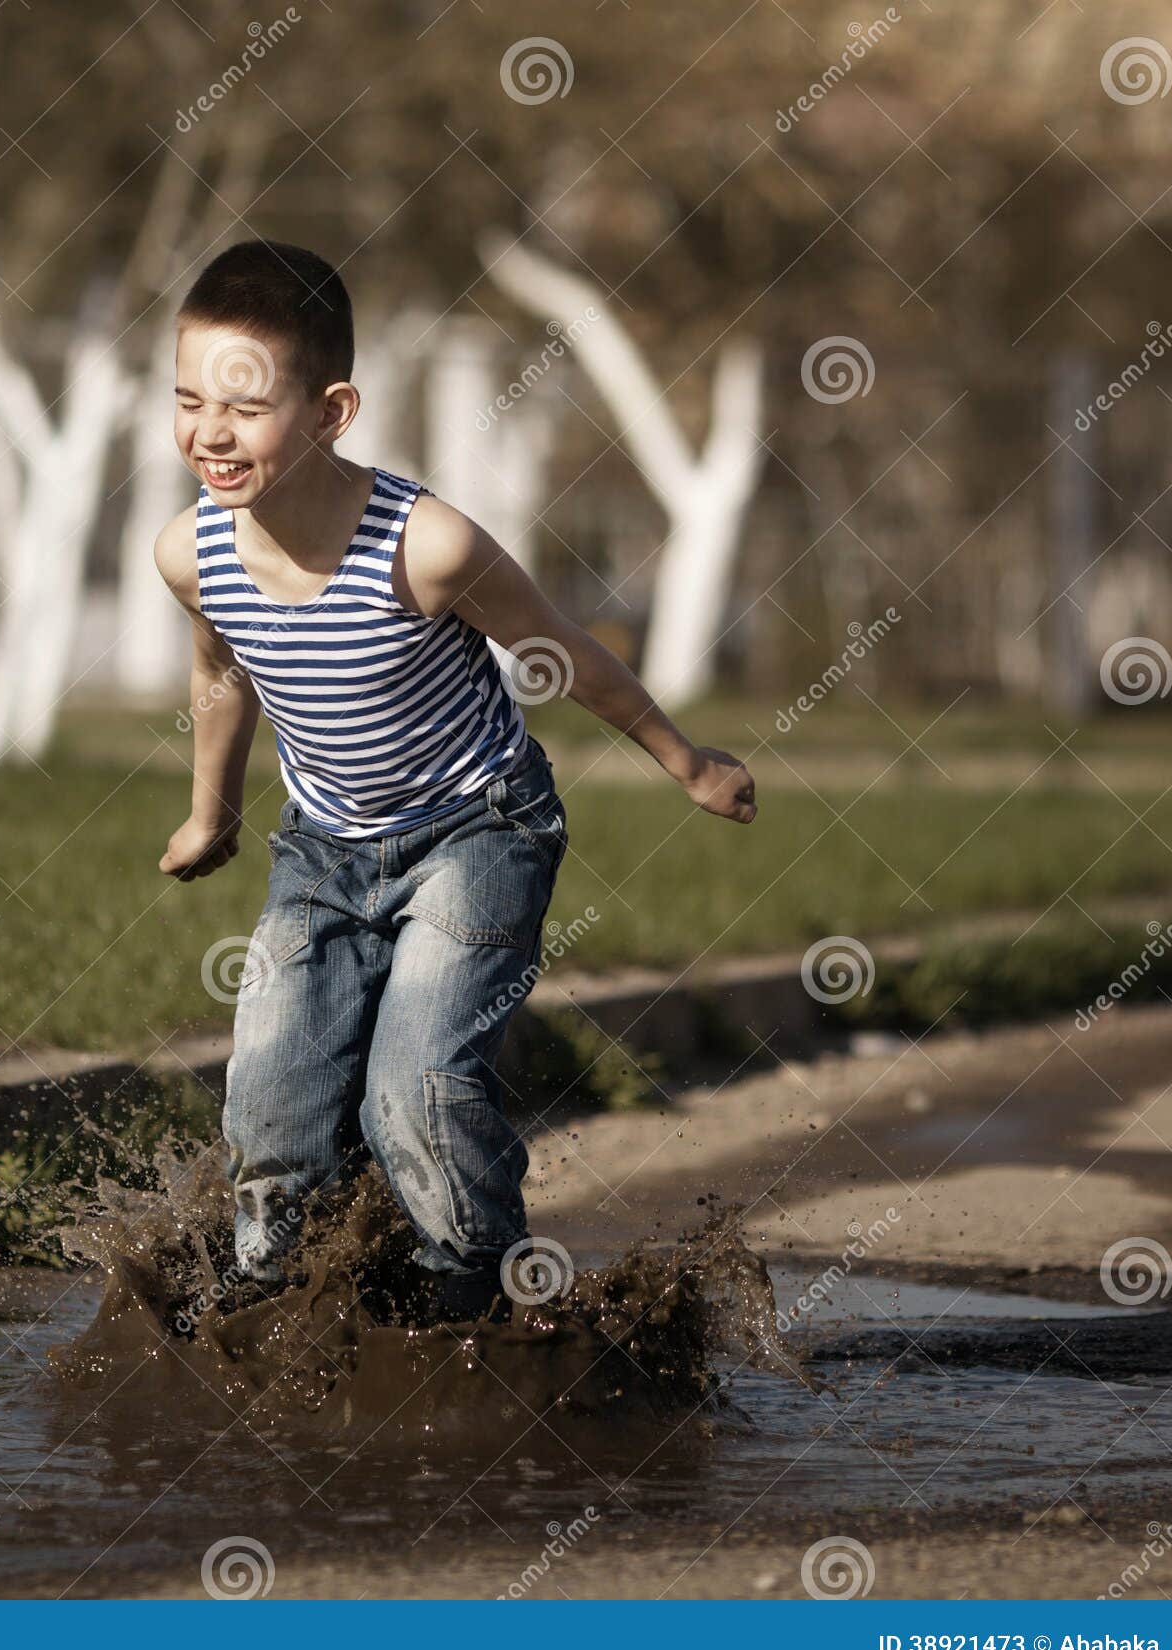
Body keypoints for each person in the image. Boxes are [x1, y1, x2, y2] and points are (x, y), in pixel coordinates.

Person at [153, 240, 756, 1321]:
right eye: (189, 400)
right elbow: (219, 673)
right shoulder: (191, 552)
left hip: (477, 831)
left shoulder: (422, 545)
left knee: (413, 1088)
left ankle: (476, 1290)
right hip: (322, 850)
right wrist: (210, 813)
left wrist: (688, 761)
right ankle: (279, 1292)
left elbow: (559, 648)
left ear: (333, 411)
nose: (210, 432)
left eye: (244, 407)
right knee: (273, 1092)